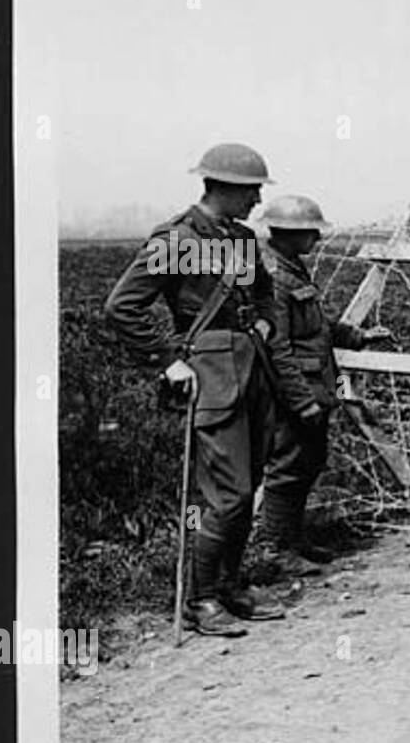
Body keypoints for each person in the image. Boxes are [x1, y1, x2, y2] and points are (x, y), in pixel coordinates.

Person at [105, 142, 282, 637]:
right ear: (222, 187)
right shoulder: (176, 238)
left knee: (248, 486)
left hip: (253, 367)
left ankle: (230, 586)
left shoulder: (243, 240)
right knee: (228, 493)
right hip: (210, 372)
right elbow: (123, 307)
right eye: (250, 191)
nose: (256, 201)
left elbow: (264, 294)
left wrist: (265, 324)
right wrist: (168, 361)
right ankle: (201, 600)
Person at [255, 195, 395, 577]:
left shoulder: (293, 269)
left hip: (316, 386)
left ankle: (293, 540)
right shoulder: (273, 277)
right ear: (287, 233)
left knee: (308, 463)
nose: (316, 236)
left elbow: (319, 325)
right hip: (294, 392)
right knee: (287, 467)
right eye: (309, 231)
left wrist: (360, 336)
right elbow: (276, 346)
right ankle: (274, 549)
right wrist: (300, 400)